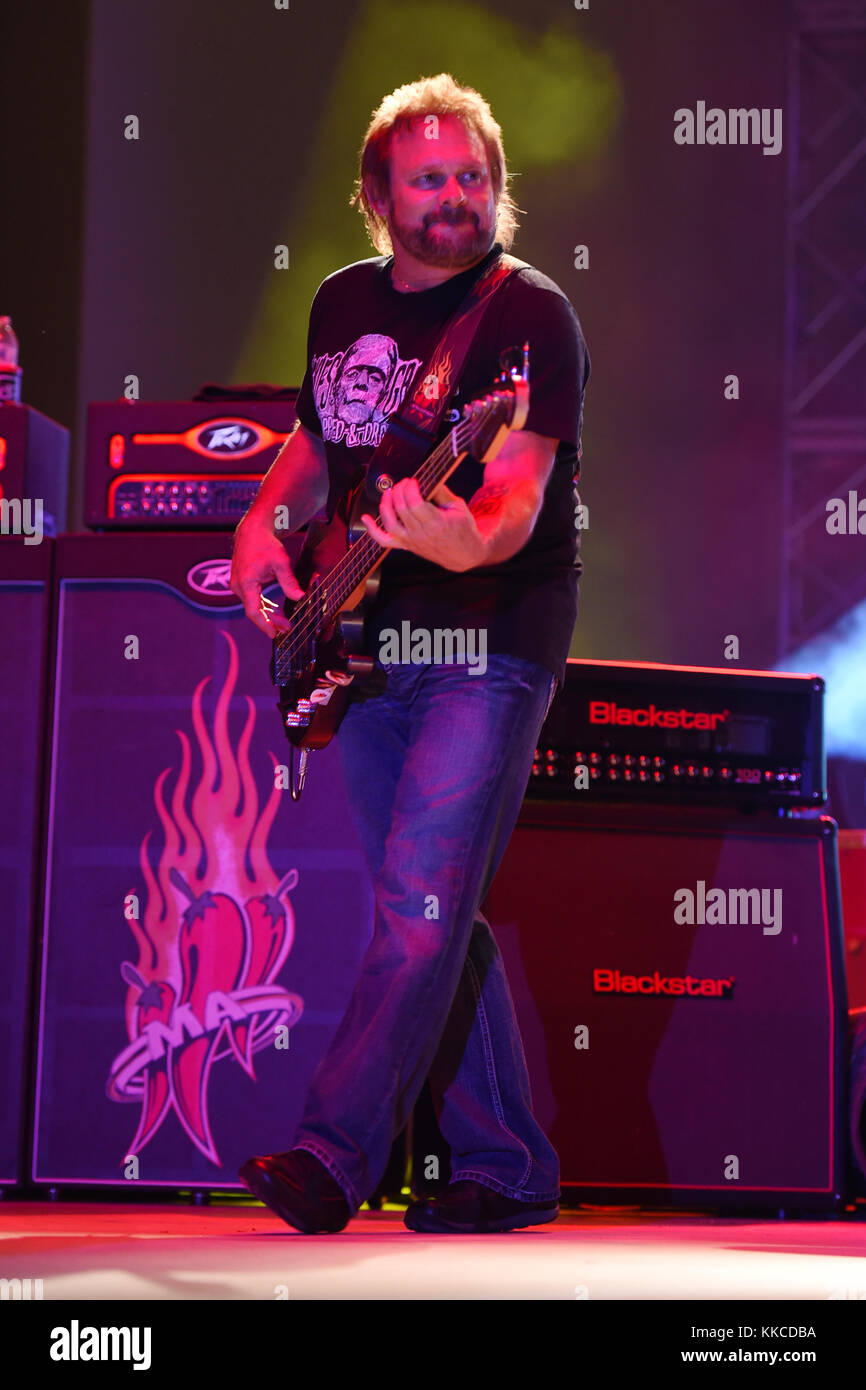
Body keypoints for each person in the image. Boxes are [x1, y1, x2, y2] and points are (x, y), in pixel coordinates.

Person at [231, 72, 590, 1234]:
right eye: (429, 178)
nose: (455, 196)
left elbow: (519, 497)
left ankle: (333, 1156)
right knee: (431, 908)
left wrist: (462, 532)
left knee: (419, 904)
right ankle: (506, 1165)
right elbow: (311, 443)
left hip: (489, 643)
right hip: (365, 639)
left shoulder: (530, 315)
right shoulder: (339, 301)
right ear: (379, 195)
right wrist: (257, 523)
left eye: (473, 176)